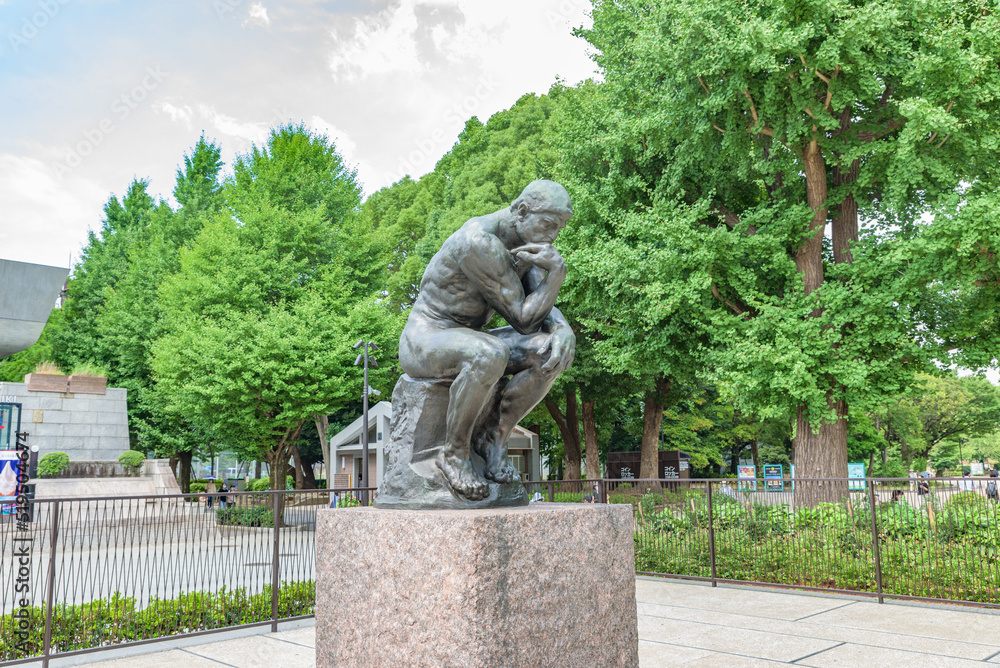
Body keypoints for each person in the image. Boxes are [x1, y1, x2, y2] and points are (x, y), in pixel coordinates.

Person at [399, 181, 576, 501]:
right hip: (426, 338)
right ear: (522, 211)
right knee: (489, 353)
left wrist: (563, 330)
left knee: (548, 352)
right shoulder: (479, 242)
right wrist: (557, 273)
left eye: (560, 227)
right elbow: (524, 319)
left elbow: (540, 305)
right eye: (549, 224)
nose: (554, 236)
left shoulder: (524, 242)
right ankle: (453, 455)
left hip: (470, 337)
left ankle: (493, 439)